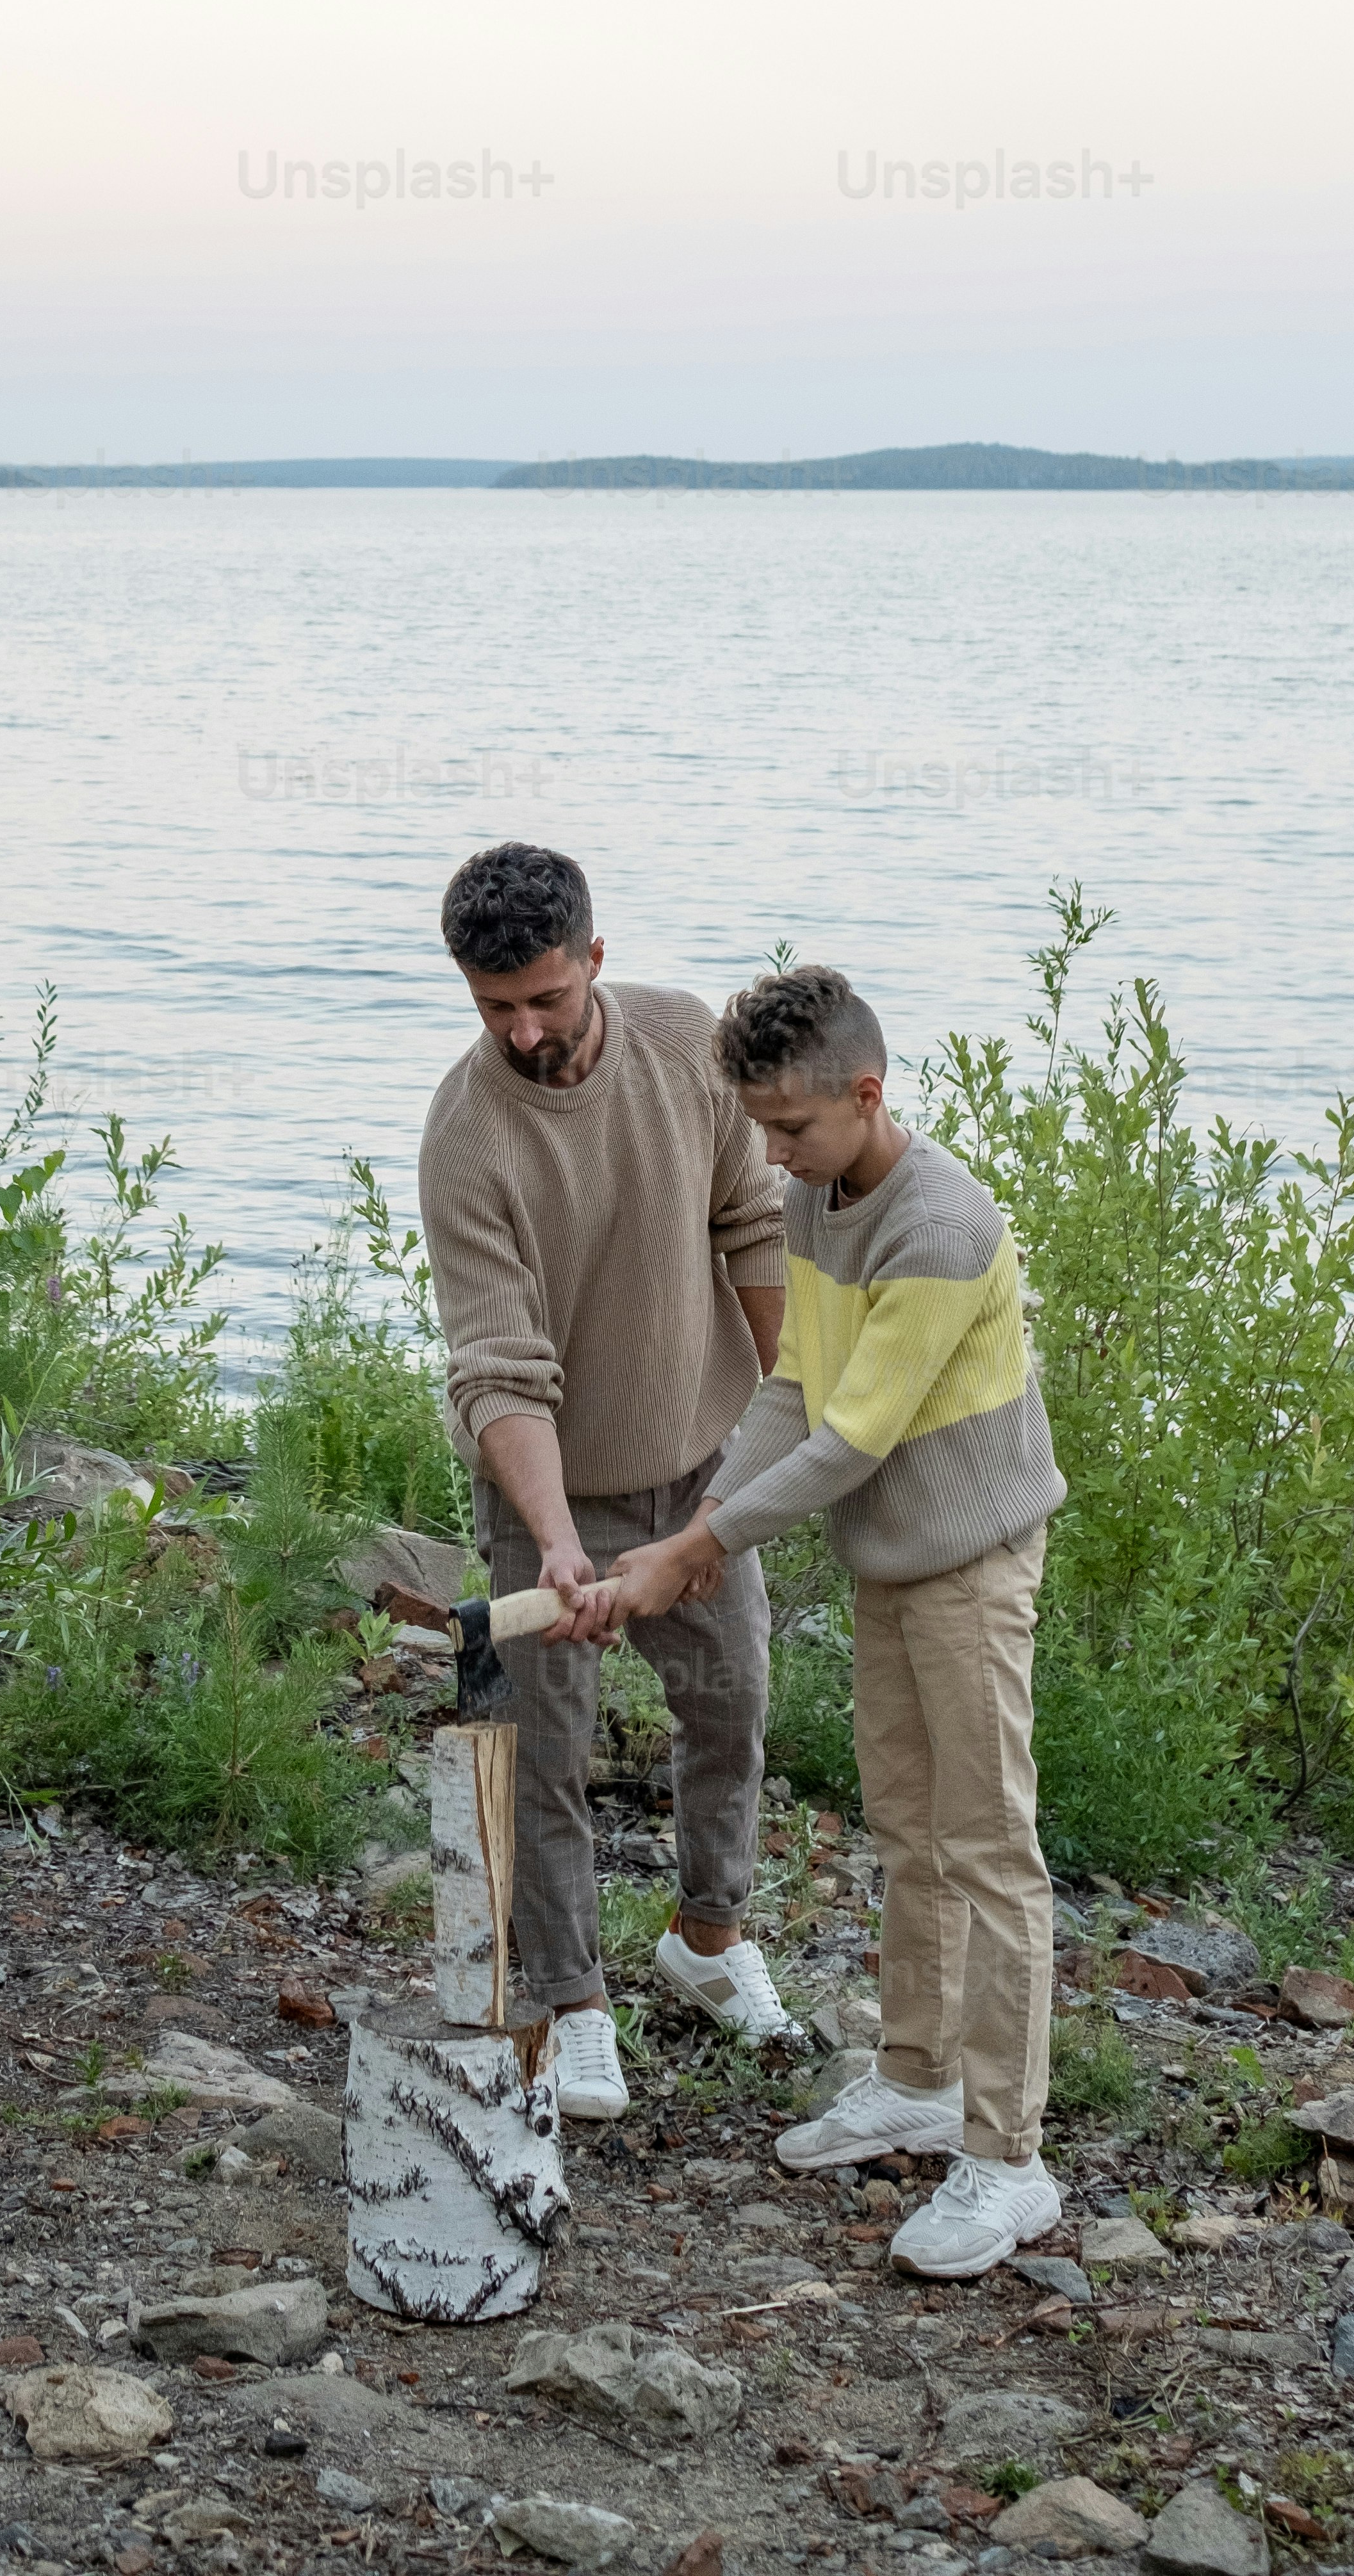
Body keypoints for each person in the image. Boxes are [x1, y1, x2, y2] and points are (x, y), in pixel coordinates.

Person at [589, 961, 1068, 2279]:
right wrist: (704, 1513)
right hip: (887, 1564)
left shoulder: (943, 1227)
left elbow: (858, 1434)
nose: (777, 1157)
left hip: (969, 1563)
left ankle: (1008, 2158)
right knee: (907, 1828)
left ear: (867, 1093)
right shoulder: (814, 1203)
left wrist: (696, 1544)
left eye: (794, 1129)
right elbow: (796, 1385)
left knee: (989, 1851)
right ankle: (915, 2076)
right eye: (763, 1132)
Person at [417, 840, 800, 2122]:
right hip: (554, 1498)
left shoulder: (687, 1042)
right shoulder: (467, 1139)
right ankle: (572, 2005)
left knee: (731, 1706)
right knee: (545, 1758)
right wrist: (553, 1539)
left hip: (704, 1465)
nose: (523, 1031)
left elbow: (751, 1223)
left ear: (594, 958)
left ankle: (703, 1942)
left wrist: (783, 1430)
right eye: (493, 1008)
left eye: (544, 998)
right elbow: (497, 1369)